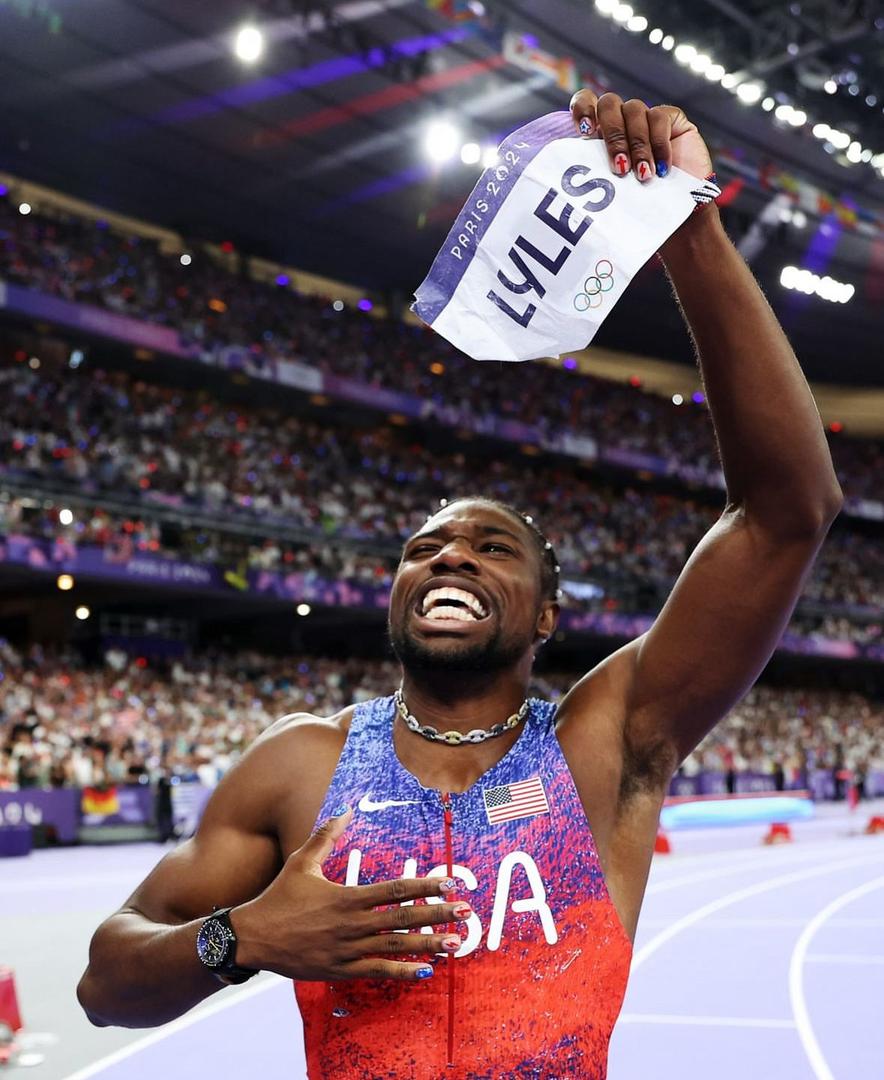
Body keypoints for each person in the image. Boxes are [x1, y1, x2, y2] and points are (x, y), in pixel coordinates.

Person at [77, 90, 843, 1078]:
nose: (449, 557)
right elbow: (104, 983)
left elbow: (786, 510)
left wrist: (687, 225)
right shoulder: (299, 766)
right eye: (426, 548)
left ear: (546, 613)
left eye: (492, 548)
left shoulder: (607, 743)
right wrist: (242, 937)